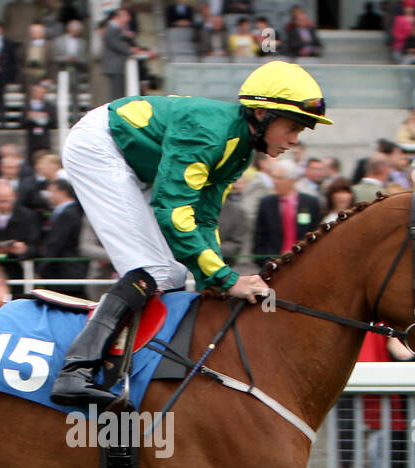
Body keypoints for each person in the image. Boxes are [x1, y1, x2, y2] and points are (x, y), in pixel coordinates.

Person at [50, 60, 329, 406]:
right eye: (292, 127)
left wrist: (214, 279)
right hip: (99, 146)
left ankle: (135, 362)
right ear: (261, 114)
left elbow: (204, 220)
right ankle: (76, 371)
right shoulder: (209, 133)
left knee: (177, 271)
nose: (294, 140)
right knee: (156, 270)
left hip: (133, 160)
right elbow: (174, 211)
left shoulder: (240, 151)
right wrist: (227, 279)